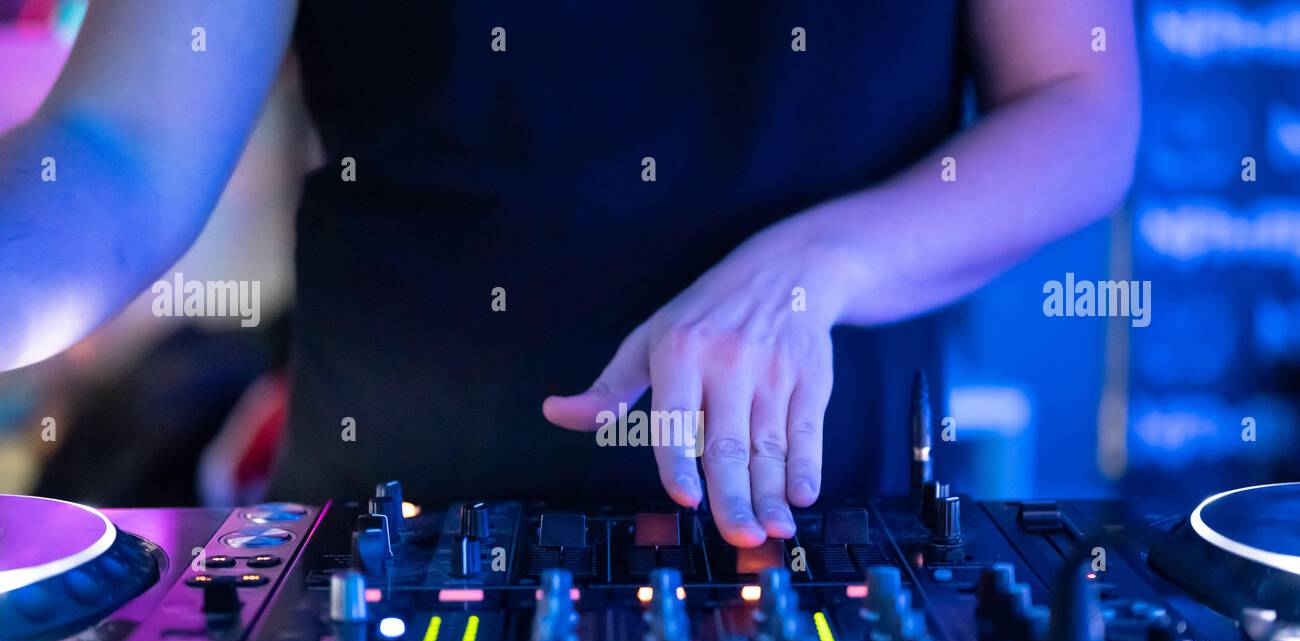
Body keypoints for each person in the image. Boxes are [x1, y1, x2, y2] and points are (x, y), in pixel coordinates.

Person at [0, 1, 1138, 546]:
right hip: (387, 524)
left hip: (819, 529)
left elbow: (1078, 101)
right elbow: (121, 152)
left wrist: (821, 262)